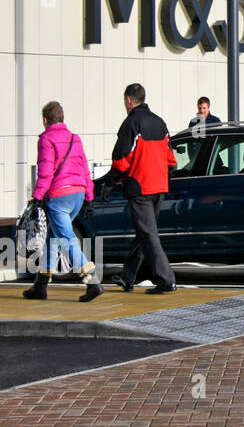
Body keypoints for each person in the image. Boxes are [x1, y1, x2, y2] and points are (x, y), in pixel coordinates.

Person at [23, 101, 101, 303]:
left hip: (59, 196)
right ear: (62, 118)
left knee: (65, 237)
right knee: (54, 237)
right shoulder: (75, 139)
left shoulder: (46, 139)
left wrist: (38, 196)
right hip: (78, 195)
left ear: (45, 120)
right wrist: (89, 197)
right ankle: (40, 285)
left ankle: (92, 281)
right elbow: (85, 170)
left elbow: (46, 172)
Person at [111, 83, 177, 294]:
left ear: (129, 101)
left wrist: (110, 180)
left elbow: (121, 161)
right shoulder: (160, 122)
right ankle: (128, 277)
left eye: (124, 102)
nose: (124, 105)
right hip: (159, 186)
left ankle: (166, 279)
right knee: (145, 232)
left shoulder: (131, 123)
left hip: (140, 187)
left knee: (148, 234)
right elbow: (171, 159)